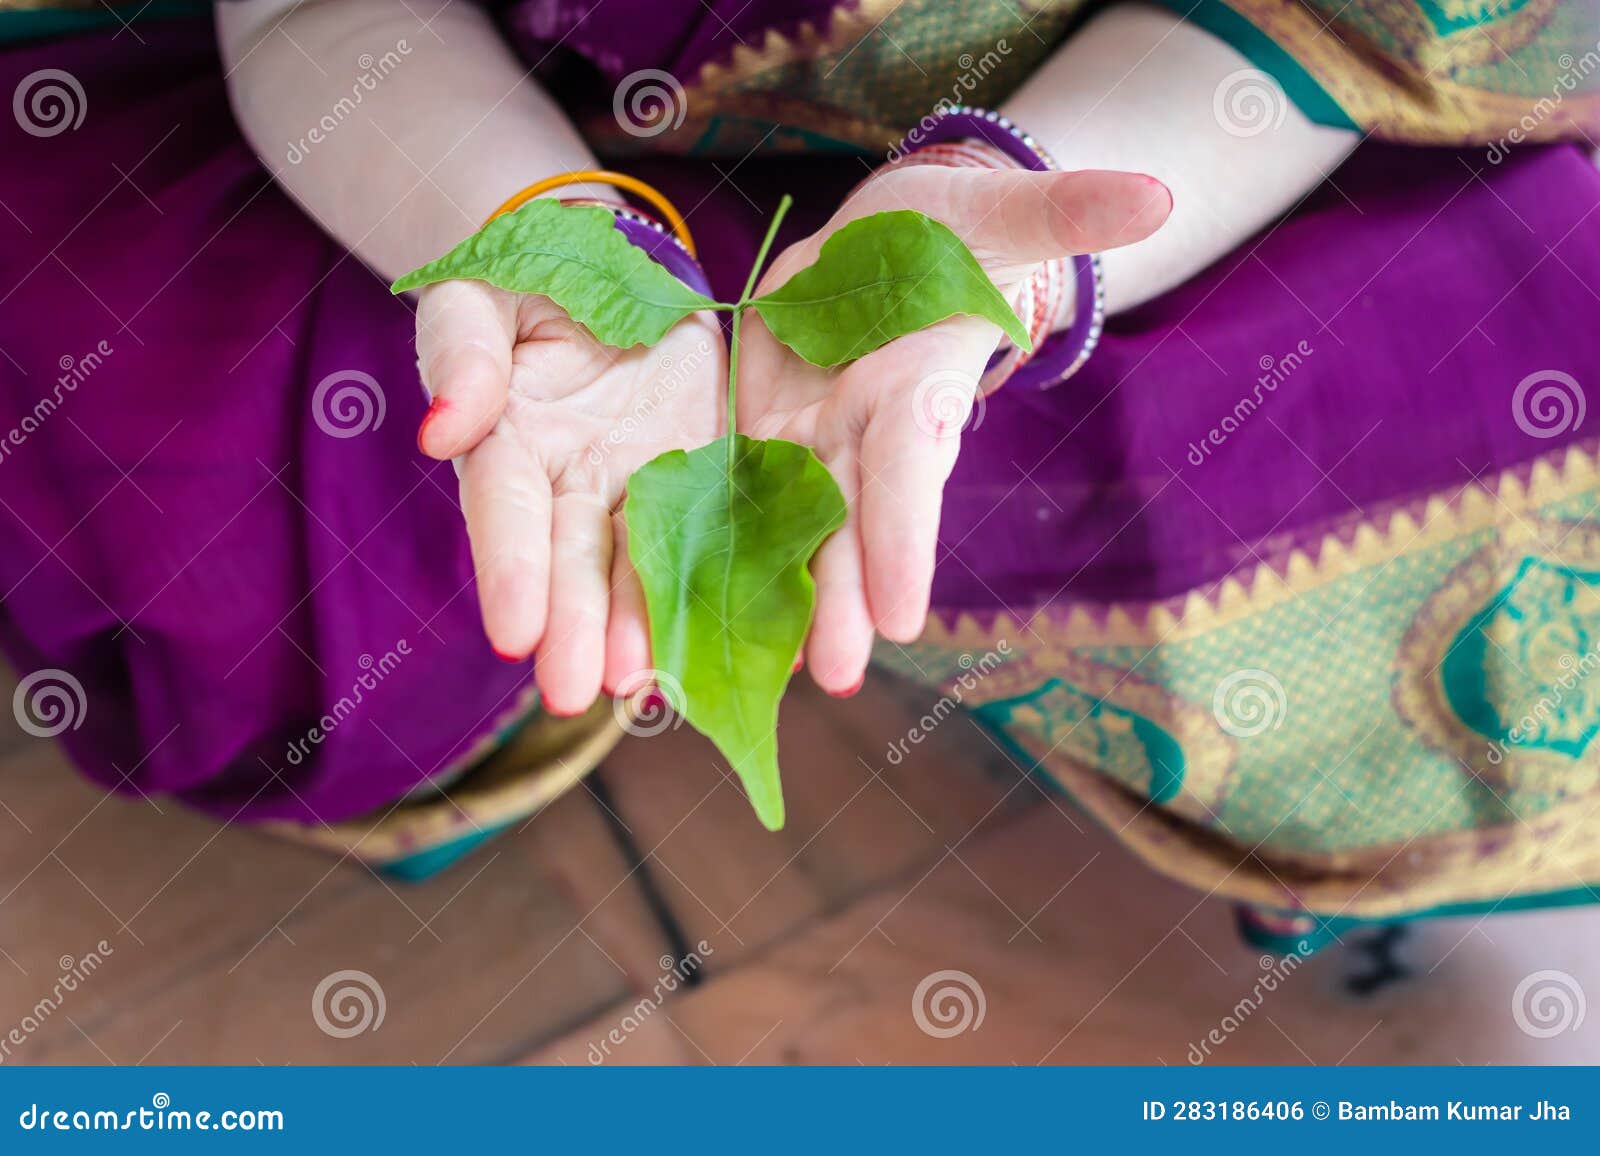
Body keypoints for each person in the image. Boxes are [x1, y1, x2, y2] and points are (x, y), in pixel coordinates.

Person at [2, 1, 1597, 941]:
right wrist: (525, 232)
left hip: (1134, 144)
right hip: (501, 144)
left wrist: (999, 211)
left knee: (1502, 346)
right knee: (194, 455)